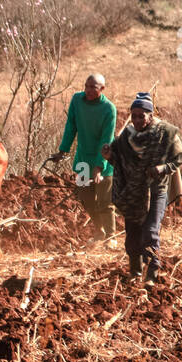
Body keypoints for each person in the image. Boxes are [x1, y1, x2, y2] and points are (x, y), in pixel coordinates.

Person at [101, 92, 182, 287]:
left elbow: (181, 158)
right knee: (132, 234)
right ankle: (135, 270)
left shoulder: (165, 133)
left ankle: (153, 271)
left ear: (150, 115)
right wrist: (108, 155)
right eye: (134, 115)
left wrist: (162, 168)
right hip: (134, 192)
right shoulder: (128, 136)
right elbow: (121, 162)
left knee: (150, 231)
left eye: (142, 116)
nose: (137, 120)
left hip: (157, 190)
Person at [51, 73, 117, 247]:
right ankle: (98, 231)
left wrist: (98, 167)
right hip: (82, 160)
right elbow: (71, 126)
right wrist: (62, 151)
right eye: (86, 86)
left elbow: (106, 139)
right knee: (85, 197)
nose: (87, 90)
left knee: (105, 201)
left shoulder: (109, 109)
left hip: (103, 162)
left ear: (102, 89)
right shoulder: (77, 100)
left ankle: (111, 236)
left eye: (92, 88)